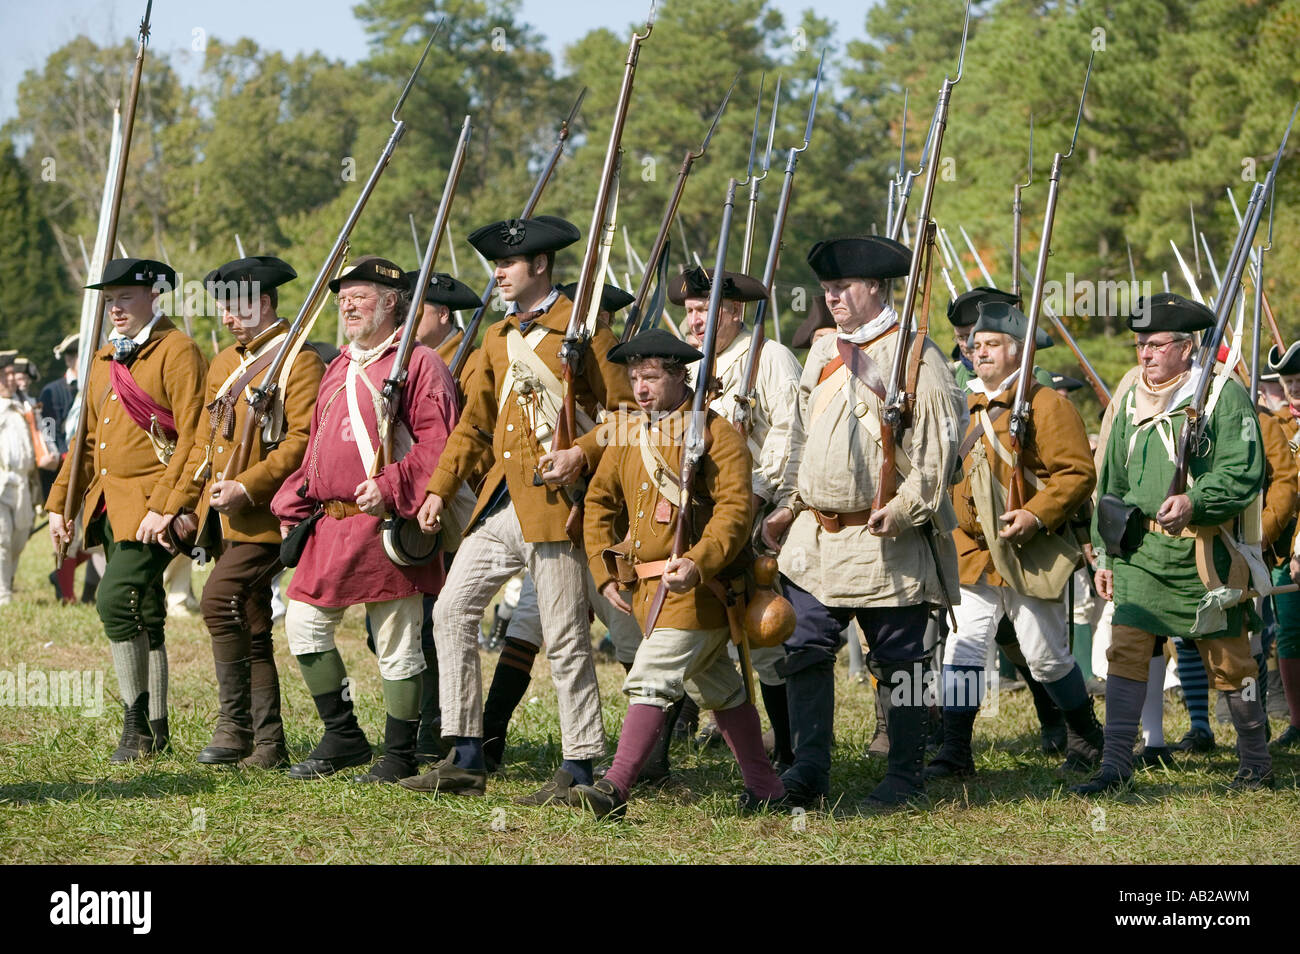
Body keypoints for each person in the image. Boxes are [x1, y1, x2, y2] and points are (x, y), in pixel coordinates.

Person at [404, 215, 633, 804]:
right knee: (451, 611)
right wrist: (437, 488)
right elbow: (475, 424)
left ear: (540, 266)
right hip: (499, 503)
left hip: (557, 508)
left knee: (563, 638)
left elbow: (631, 417)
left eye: (508, 264)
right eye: (496, 265)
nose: (498, 274)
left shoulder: (583, 333)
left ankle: (580, 765)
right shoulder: (499, 337)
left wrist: (581, 454)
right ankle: (466, 753)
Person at [760, 235, 962, 807]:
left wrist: (901, 511)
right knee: (803, 650)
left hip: (885, 541)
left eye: (842, 287)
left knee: (901, 661)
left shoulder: (919, 358)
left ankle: (904, 777)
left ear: (875, 286)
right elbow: (800, 438)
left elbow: (936, 458)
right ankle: (808, 770)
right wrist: (788, 505)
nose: (833, 298)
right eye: (827, 289)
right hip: (816, 539)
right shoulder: (824, 353)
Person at [571, 329, 785, 818]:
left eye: (650, 377)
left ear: (679, 376)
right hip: (651, 591)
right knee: (722, 691)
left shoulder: (717, 434)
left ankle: (616, 786)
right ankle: (766, 787)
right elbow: (600, 501)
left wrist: (699, 560)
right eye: (634, 378)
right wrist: (606, 572)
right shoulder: (629, 433)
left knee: (650, 680)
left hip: (701, 592)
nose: (640, 388)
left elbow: (734, 511)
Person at [270, 256, 459, 782]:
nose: (348, 304)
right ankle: (343, 734)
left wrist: (391, 484)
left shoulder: (419, 365)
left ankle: (399, 754)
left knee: (398, 644)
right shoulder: (338, 367)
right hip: (330, 523)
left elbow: (441, 446)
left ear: (392, 301)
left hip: (387, 524)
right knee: (304, 626)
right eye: (343, 296)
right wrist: (294, 504)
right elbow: (315, 451)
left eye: (361, 294)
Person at [1078, 293, 1271, 793]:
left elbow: (1244, 472)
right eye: (1140, 344)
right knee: (1125, 650)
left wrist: (1194, 502)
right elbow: (1112, 482)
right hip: (1141, 553)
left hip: (1205, 557)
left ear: (1187, 347)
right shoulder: (1130, 396)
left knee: (1232, 661)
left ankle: (1255, 761)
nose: (1144, 354)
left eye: (1156, 345)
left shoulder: (1223, 395)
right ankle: (1115, 764)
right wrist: (1106, 552)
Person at [926, 300, 1100, 780]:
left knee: (1045, 657)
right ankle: (957, 750)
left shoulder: (1048, 404)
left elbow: (1077, 473)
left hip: (1028, 549)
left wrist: (1035, 515)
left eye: (992, 345)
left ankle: (1086, 737)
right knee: (963, 649)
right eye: (976, 345)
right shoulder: (959, 404)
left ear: (1018, 352)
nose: (980, 352)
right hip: (973, 549)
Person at [46, 258, 208, 761]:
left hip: (156, 510)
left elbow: (195, 437)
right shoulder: (101, 360)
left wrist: (167, 506)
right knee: (147, 610)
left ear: (153, 297)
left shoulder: (178, 350)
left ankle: (134, 724)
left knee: (114, 599)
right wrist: (60, 505)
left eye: (125, 297)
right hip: (108, 507)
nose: (115, 307)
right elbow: (86, 445)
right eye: (109, 299)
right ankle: (158, 730)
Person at [171, 256, 325, 769]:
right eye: (222, 308)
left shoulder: (298, 360)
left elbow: (302, 441)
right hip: (225, 517)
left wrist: (248, 486)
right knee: (251, 619)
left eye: (236, 307)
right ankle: (268, 743)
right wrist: (189, 506)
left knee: (216, 601)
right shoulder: (223, 362)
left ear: (263, 303)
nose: (227, 317)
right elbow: (202, 442)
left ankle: (232, 726)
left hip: (269, 515)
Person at [675, 266, 802, 774]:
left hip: (754, 516)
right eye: (689, 311)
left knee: (765, 637)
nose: (695, 322)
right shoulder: (686, 365)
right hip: (699, 520)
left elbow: (791, 436)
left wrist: (759, 498)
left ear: (733, 311)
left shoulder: (769, 358)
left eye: (704, 310)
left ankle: (791, 753)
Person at [0, 351, 37, 605]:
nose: (12, 379)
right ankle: (3, 593)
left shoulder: (24, 406)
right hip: (2, 480)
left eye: (13, 374)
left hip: (23, 482)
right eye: (6, 375)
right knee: (1, 538)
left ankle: (7, 581)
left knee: (19, 538)